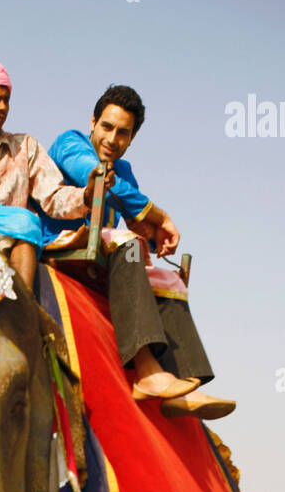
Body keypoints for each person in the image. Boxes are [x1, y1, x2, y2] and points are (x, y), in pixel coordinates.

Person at [0, 57, 171, 315]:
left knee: (26, 222)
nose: (3, 107)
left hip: (14, 241)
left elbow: (54, 196)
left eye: (6, 100)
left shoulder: (25, 148)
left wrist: (87, 195)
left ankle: (22, 314)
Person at [44, 85, 235, 419]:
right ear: (92, 121)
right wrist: (159, 218)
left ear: (131, 139)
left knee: (166, 277)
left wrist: (151, 237)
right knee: (126, 245)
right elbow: (103, 180)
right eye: (106, 127)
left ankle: (184, 380)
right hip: (62, 238)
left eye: (123, 133)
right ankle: (147, 372)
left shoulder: (127, 170)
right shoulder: (70, 144)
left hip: (102, 243)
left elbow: (130, 213)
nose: (112, 139)